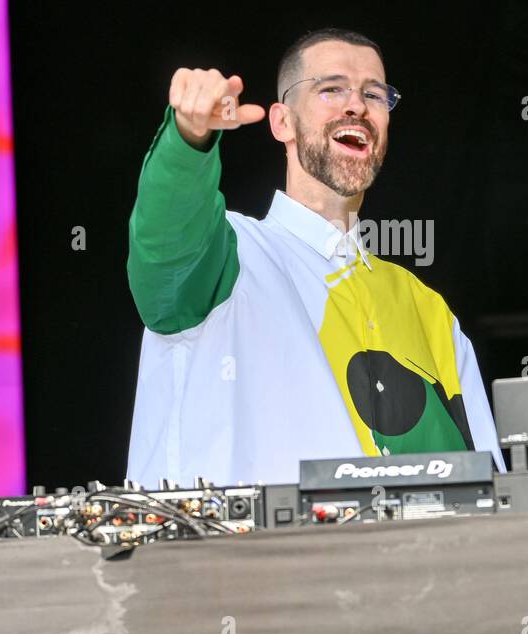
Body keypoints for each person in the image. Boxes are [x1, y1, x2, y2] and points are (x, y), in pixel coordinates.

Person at [125, 27, 504, 485]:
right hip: (229, 556)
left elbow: (485, 492)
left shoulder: (429, 310)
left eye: (375, 94)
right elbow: (164, 250)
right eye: (331, 89)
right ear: (282, 121)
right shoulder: (227, 252)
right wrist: (188, 139)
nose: (357, 105)